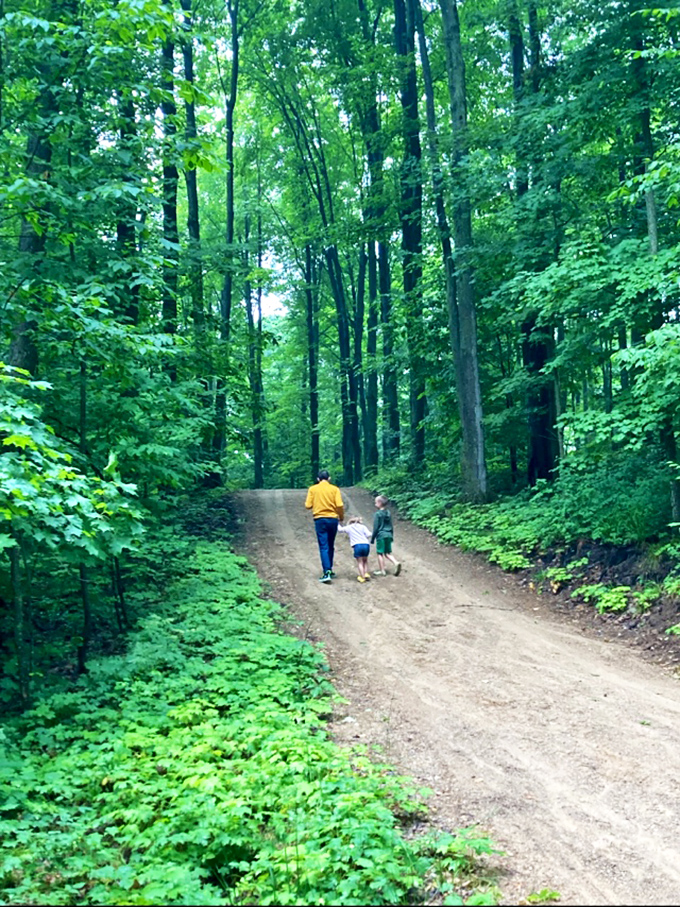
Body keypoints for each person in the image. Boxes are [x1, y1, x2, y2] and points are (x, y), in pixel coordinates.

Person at [305, 470, 344, 583]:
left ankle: (326, 571)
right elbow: (340, 505)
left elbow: (308, 505)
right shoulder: (335, 489)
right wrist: (341, 517)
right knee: (330, 544)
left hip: (320, 519)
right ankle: (330, 569)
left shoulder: (313, 489)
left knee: (323, 545)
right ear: (329, 478)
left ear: (318, 479)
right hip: (333, 519)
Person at [371, 494, 402, 576]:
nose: (375, 504)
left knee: (380, 553)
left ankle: (382, 570)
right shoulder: (388, 513)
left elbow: (375, 527)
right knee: (388, 553)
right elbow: (391, 525)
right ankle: (396, 562)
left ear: (379, 503)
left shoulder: (377, 514)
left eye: (376, 502)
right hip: (388, 534)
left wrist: (372, 538)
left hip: (381, 535)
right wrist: (391, 535)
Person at [338, 517, 373, 583]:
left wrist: (337, 523)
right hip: (366, 544)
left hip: (357, 546)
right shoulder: (363, 527)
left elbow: (340, 530)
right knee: (365, 561)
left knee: (360, 562)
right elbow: (369, 534)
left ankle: (362, 577)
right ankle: (366, 574)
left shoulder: (349, 527)